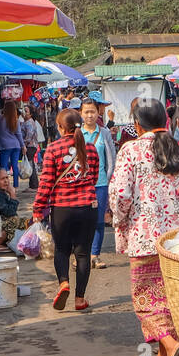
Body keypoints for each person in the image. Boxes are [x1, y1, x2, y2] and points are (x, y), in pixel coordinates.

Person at [110, 98, 179, 356]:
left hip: (144, 237)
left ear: (136, 124)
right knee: (168, 298)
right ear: (165, 120)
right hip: (177, 240)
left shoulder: (130, 150)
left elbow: (121, 194)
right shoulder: (176, 147)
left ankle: (170, 345)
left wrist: (118, 221)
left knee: (146, 300)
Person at [33, 109, 101, 312]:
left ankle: (64, 283)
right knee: (83, 253)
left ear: (61, 127)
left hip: (62, 208)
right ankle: (80, 299)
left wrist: (38, 208)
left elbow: (46, 182)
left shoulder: (53, 149)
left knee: (61, 250)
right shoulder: (90, 148)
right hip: (87, 208)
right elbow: (94, 178)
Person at [77, 99, 116, 270]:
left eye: (92, 111)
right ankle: (80, 255)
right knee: (81, 221)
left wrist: (107, 180)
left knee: (98, 221)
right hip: (80, 185)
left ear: (98, 113)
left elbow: (111, 159)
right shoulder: (77, 134)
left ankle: (95, 255)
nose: (90, 115)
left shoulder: (105, 133)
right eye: (86, 112)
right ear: (81, 113)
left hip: (100, 183)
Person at [20, 107, 43, 190]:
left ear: (31, 114)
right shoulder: (25, 122)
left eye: (26, 111)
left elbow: (29, 136)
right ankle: (33, 184)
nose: (24, 112)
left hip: (29, 146)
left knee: (30, 164)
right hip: (29, 146)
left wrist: (24, 145)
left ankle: (34, 184)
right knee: (31, 163)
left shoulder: (29, 123)